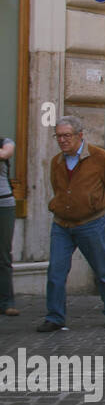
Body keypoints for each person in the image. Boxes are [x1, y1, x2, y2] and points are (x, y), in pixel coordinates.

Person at [41, 115, 105, 331]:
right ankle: (55, 317)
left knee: (103, 270)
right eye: (58, 136)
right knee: (56, 272)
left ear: (80, 135)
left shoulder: (99, 157)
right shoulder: (56, 162)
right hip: (62, 224)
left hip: (92, 222)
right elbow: (58, 189)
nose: (62, 140)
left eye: (66, 136)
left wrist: (104, 216)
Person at [0, 135, 16, 315]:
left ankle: (7, 301)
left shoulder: (6, 142)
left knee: (3, 255)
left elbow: (6, 154)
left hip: (4, 204)